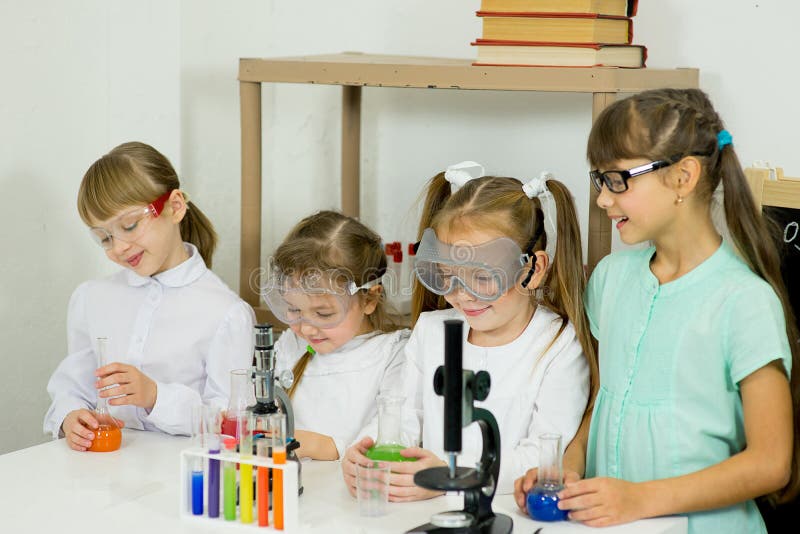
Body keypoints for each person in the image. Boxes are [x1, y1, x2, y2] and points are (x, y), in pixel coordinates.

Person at [515, 88, 800, 533]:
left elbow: (770, 463)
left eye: (618, 180)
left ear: (684, 177)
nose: (604, 200)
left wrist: (640, 499)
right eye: (599, 181)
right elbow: (604, 402)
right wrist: (565, 473)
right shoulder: (611, 278)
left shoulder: (744, 302)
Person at [342, 161, 598, 499]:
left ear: (533, 269)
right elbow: (402, 415)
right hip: (427, 511)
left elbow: (543, 455)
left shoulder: (558, 345)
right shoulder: (432, 331)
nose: (462, 294)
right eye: (447, 275)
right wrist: (369, 448)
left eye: (482, 277)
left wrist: (446, 476)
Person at [44, 141, 255, 450]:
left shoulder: (226, 313)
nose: (118, 248)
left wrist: (157, 396)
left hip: (179, 478)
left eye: (130, 226)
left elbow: (229, 420)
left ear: (175, 207)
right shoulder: (91, 298)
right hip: (96, 474)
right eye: (103, 238)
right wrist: (70, 416)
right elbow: (72, 387)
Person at [264, 210, 410, 460]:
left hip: (353, 491)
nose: (307, 328)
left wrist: (324, 446)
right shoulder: (291, 345)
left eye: (323, 313)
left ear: (369, 299)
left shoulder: (394, 353)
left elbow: (395, 432)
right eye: (294, 309)